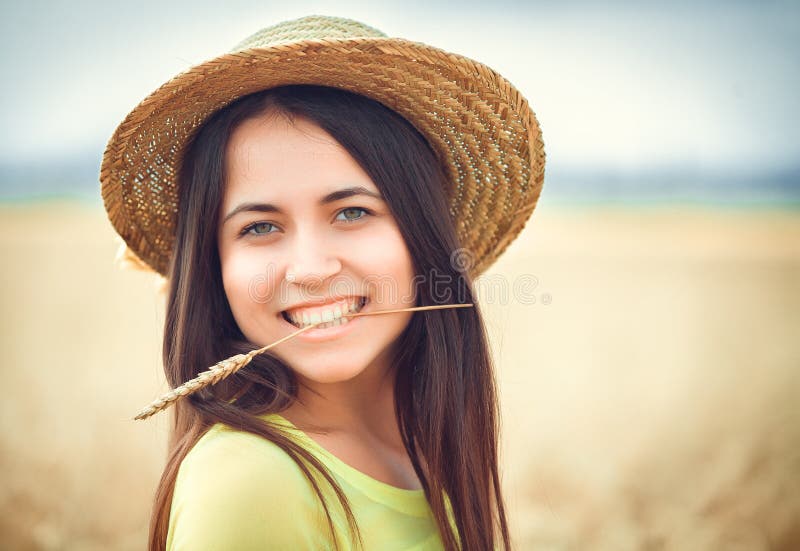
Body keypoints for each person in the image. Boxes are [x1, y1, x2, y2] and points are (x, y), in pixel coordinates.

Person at [100, 15, 545, 551]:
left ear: (422, 231)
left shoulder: (422, 448)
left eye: (352, 213)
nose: (310, 269)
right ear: (214, 266)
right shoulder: (250, 483)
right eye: (259, 227)